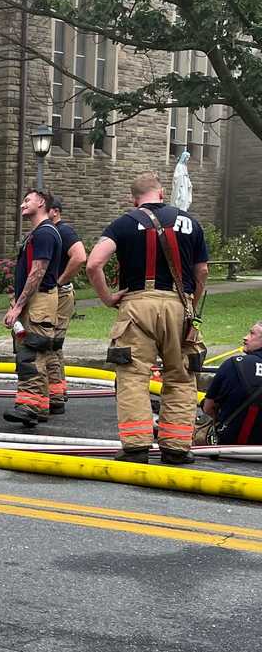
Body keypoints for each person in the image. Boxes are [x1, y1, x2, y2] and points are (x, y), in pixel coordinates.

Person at [86, 171, 209, 464]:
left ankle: (137, 446)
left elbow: (93, 264)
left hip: (137, 306)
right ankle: (176, 447)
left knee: (133, 375)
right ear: (162, 193)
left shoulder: (123, 223)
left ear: (134, 199)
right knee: (181, 375)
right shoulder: (190, 223)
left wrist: (107, 298)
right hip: (180, 306)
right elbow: (202, 271)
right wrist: (191, 302)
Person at [2, 187, 62, 428]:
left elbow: (38, 271)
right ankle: (40, 406)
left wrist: (18, 307)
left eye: (27, 200)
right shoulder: (40, 233)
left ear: (42, 203)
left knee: (31, 353)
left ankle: (27, 407)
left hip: (39, 303)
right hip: (37, 302)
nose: (22, 204)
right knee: (39, 354)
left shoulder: (45, 233)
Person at [44, 196, 86, 416]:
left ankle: (55, 395)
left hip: (59, 295)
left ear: (55, 211)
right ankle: (56, 392)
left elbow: (79, 257)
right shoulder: (50, 231)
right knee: (53, 344)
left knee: (50, 343)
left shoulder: (63, 231)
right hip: (52, 294)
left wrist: (58, 282)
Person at [201, 321, 262, 445]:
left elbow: (208, 408)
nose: (245, 337)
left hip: (229, 445)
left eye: (252, 334)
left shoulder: (233, 364)